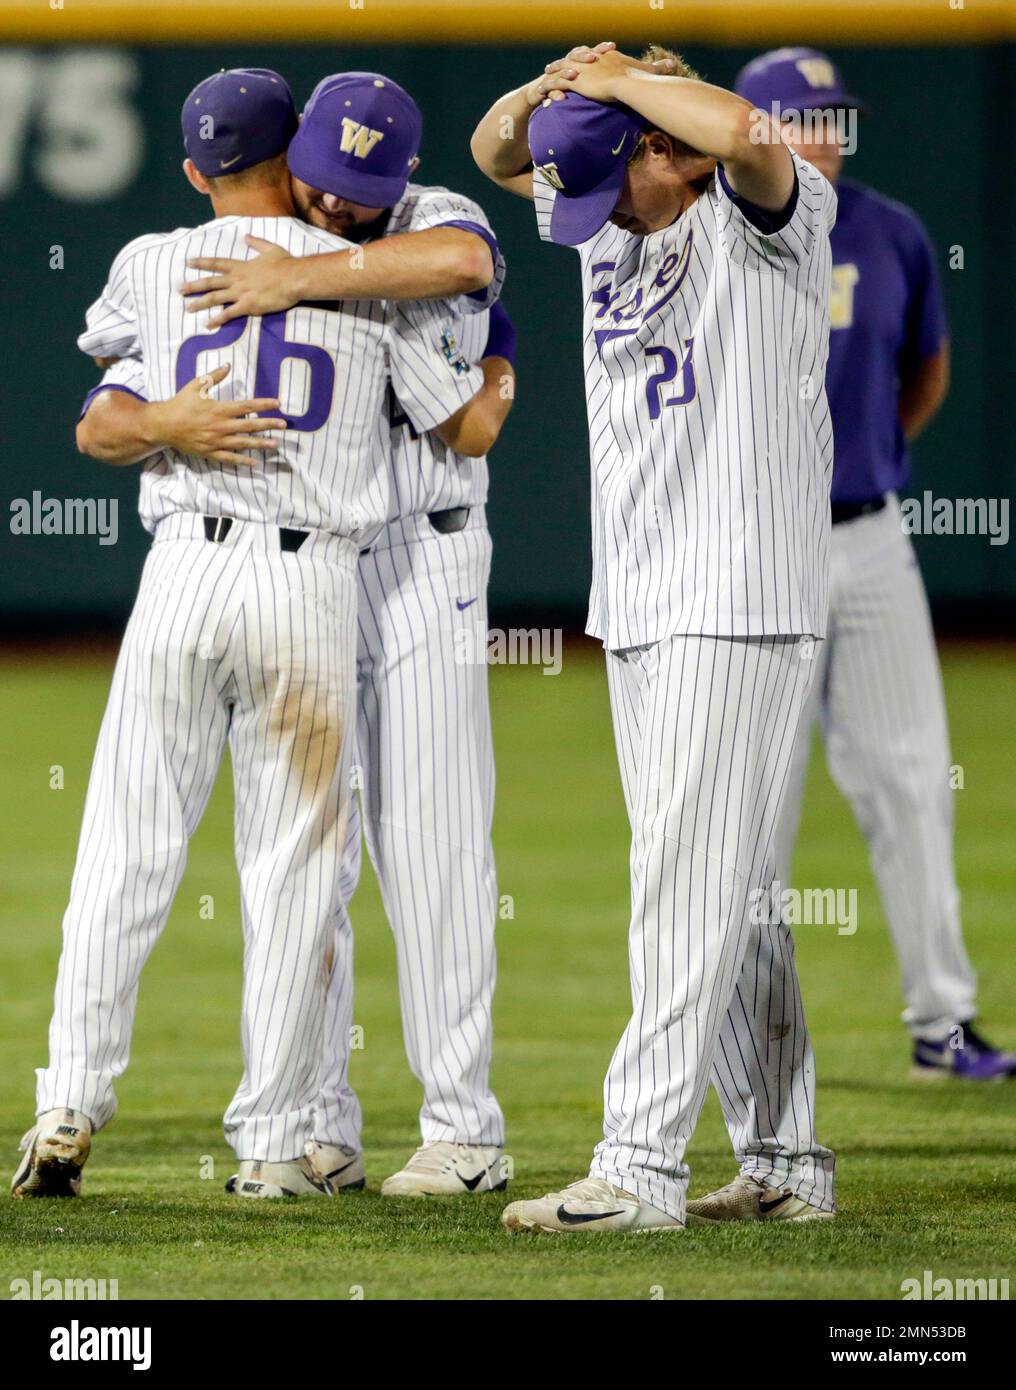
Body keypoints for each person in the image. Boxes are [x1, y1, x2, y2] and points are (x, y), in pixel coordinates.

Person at [11, 68, 496, 1202]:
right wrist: (498, 369)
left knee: (121, 853)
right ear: (296, 160)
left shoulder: (148, 261)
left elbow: (99, 421)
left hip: (177, 576)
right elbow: (464, 421)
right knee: (288, 877)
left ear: (193, 169)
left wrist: (163, 421)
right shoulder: (369, 285)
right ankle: (275, 1144)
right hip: (307, 591)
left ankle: (67, 1101)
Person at [471, 41, 838, 1233]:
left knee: (679, 887)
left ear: (660, 150)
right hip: (641, 595)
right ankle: (784, 1164)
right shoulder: (608, 213)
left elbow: (748, 137)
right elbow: (493, 150)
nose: (576, 217)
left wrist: (623, 82)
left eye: (601, 182)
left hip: (734, 592)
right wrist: (558, 87)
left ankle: (637, 1167)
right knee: (732, 896)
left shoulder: (761, 216)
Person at [734, 48, 1014, 1085]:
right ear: (754, 130)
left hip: (868, 537)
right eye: (804, 119)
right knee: (753, 805)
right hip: (760, 545)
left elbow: (925, 368)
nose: (825, 137)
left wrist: (872, 457)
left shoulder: (889, 227)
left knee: (909, 782)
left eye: (833, 117)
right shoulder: (722, 225)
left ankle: (942, 1020)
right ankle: (747, 1033)